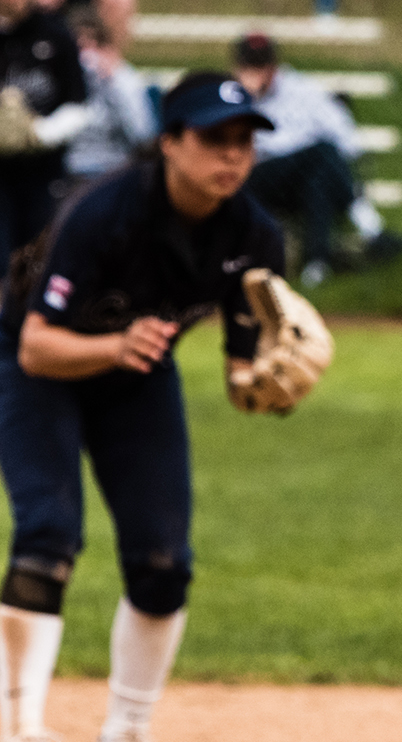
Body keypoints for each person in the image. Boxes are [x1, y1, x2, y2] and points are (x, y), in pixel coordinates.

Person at [0, 72, 283, 742]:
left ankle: (127, 729)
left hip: (139, 374)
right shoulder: (103, 213)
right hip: (34, 364)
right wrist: (115, 345)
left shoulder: (253, 236)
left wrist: (266, 383)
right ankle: (16, 725)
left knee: (163, 563)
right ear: (170, 144)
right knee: (48, 536)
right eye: (214, 139)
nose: (232, 155)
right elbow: (38, 347)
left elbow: (243, 367)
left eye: (244, 140)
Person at [231, 33, 402, 286]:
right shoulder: (230, 97)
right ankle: (368, 227)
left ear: (274, 65)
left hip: (300, 180)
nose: (256, 72)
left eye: (262, 64)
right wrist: (248, 99)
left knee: (319, 179)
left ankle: (316, 266)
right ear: (237, 67)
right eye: (250, 65)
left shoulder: (302, 90)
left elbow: (344, 135)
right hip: (253, 179)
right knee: (320, 153)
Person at [0, 0, 90, 272]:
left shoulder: (55, 35)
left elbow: (79, 103)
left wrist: (39, 133)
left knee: (37, 260)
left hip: (43, 169)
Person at [65, 0, 158, 181]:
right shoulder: (61, 72)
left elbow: (142, 135)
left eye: (92, 44)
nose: (86, 55)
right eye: (79, 46)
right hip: (66, 173)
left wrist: (114, 81)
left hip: (112, 172)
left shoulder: (124, 78)